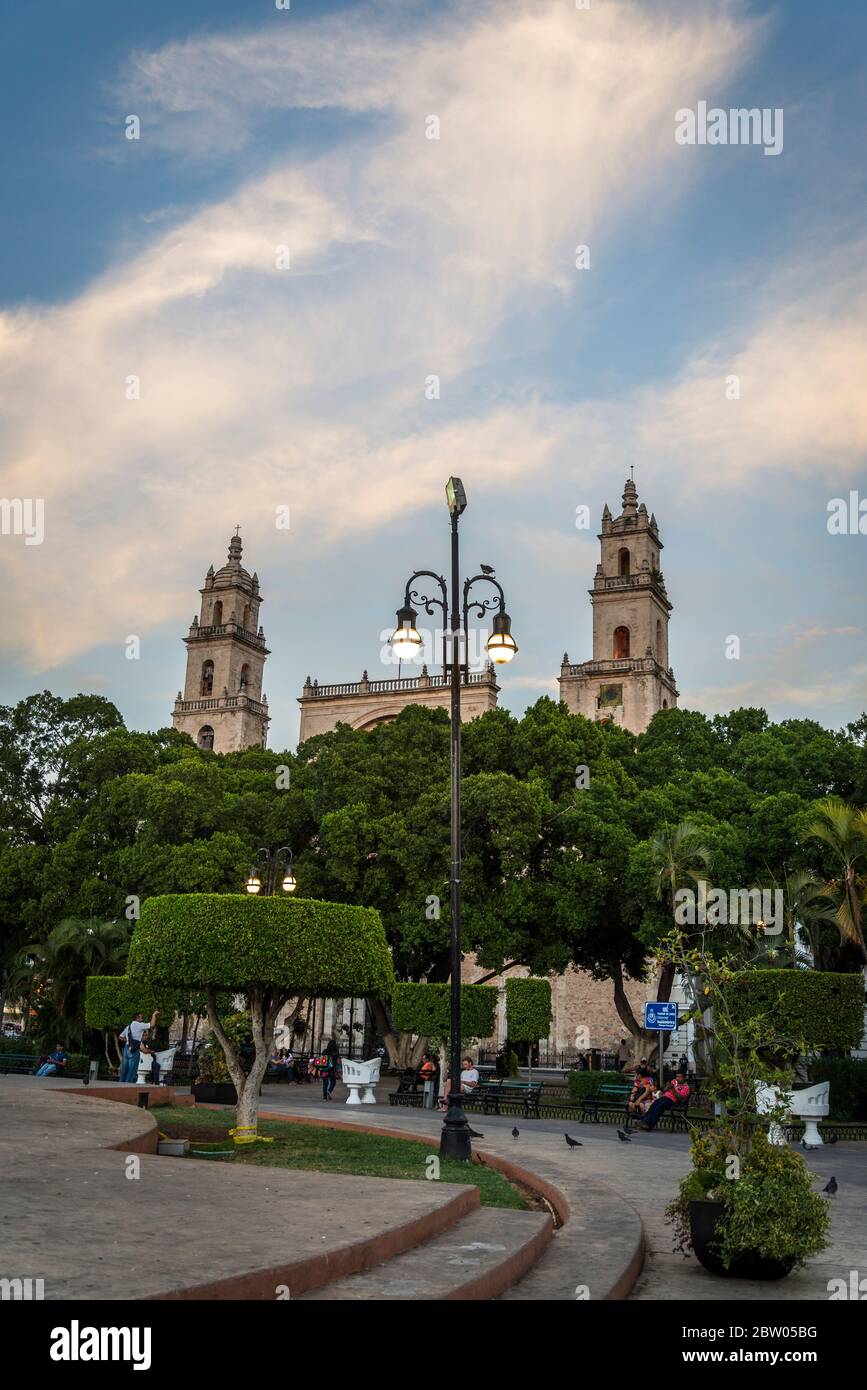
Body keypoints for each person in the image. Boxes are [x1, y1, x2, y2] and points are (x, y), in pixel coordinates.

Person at [119, 1012, 149, 1082]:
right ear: (137, 1018)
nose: (142, 1019)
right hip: (134, 1049)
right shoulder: (139, 1025)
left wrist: (129, 1041)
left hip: (127, 1048)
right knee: (131, 1071)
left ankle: (120, 1086)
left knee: (124, 1070)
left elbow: (120, 1037)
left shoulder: (128, 1026)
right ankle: (127, 1088)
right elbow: (152, 1024)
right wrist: (154, 1014)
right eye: (141, 1017)